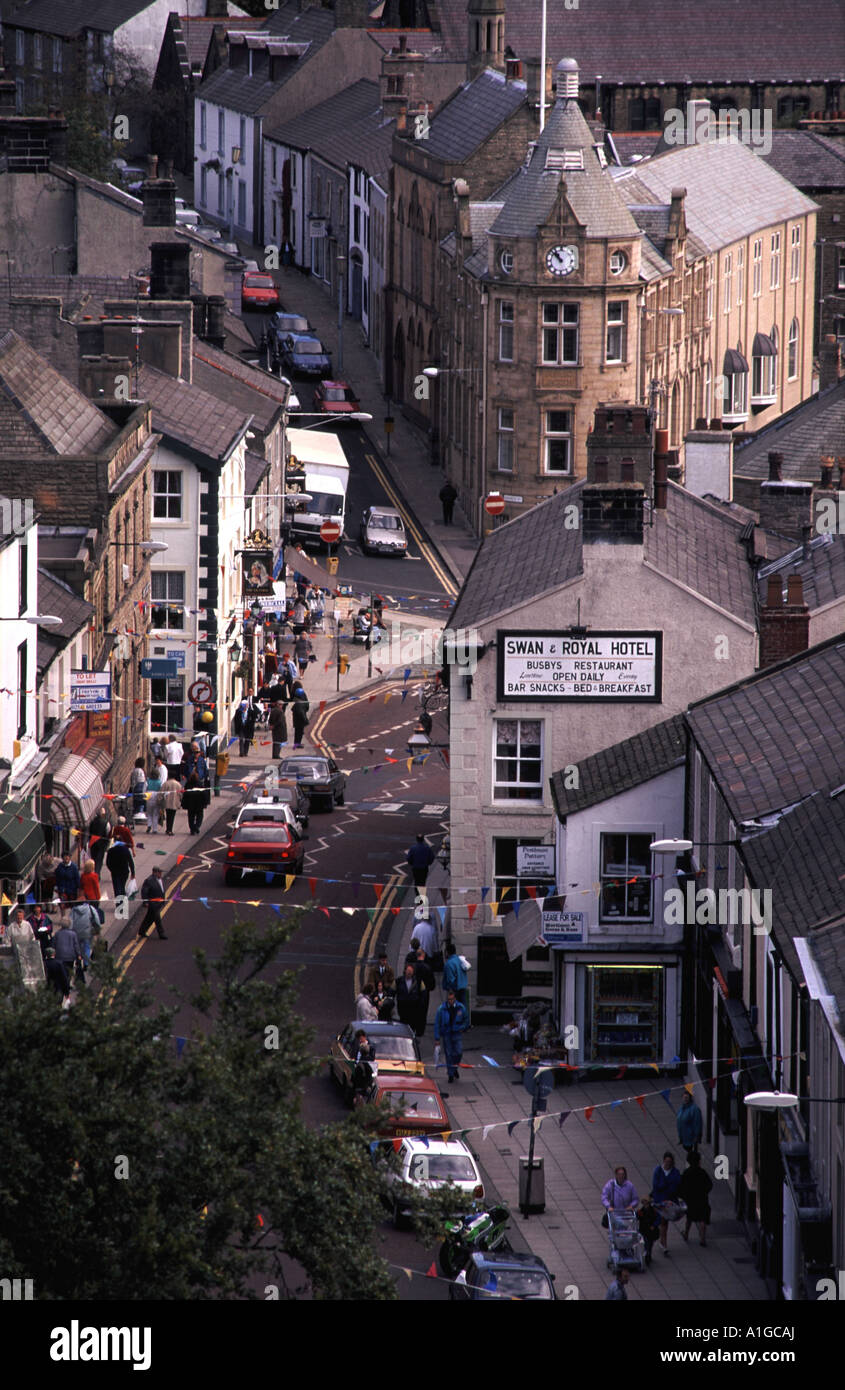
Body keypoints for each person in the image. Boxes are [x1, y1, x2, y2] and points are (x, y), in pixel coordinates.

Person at [678, 1151, 713, 1247]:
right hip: (702, 1199)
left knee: (689, 1218)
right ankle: (702, 1238)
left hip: (691, 1200)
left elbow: (682, 1187)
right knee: (702, 1219)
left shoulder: (686, 1173)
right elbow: (709, 1185)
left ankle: (686, 1234)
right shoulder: (702, 1172)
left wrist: (683, 1197)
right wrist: (704, 1192)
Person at [433, 987, 468, 1083]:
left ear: (455, 999)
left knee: (459, 1052)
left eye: (452, 999)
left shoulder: (461, 1008)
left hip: (457, 1033)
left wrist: (462, 1028)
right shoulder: (442, 1009)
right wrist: (437, 1038)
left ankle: (454, 1067)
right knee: (449, 1054)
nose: (450, 1001)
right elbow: (437, 1024)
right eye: (449, 999)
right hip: (447, 1033)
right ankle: (450, 1074)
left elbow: (466, 1020)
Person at [651, 1151, 682, 1256]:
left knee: (664, 1223)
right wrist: (666, 1186)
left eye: (670, 1162)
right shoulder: (658, 1170)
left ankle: (663, 1242)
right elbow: (656, 1186)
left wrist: (664, 1187)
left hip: (669, 1202)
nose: (668, 1164)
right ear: (663, 1160)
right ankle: (662, 1243)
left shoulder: (675, 1172)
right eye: (666, 1161)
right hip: (659, 1201)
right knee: (662, 1222)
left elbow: (676, 1186)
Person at [137, 867, 168, 940]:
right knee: (157, 918)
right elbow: (144, 892)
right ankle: (161, 933)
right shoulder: (149, 881)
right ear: (155, 872)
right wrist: (145, 902)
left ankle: (142, 931)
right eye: (159, 872)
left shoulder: (159, 880)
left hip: (158, 903)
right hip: (153, 904)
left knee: (149, 918)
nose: (161, 874)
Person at [412, 946, 435, 1036]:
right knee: (423, 1012)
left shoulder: (412, 968)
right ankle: (420, 1031)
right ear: (423, 955)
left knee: (414, 1011)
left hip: (413, 993)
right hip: (425, 994)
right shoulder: (428, 968)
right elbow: (432, 984)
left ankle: (413, 1029)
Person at [70, 897, 100, 966]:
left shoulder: (73, 910)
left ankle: (79, 961)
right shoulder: (90, 908)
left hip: (76, 932)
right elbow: (96, 918)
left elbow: (70, 922)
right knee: (87, 946)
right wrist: (97, 927)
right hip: (87, 932)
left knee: (78, 948)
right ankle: (86, 963)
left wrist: (70, 931)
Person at [395, 963, 423, 1034]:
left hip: (414, 1010)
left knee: (412, 1028)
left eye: (411, 971)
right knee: (403, 1028)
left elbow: (423, 995)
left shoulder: (419, 982)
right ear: (405, 971)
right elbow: (391, 993)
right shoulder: (398, 981)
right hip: (402, 1009)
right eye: (408, 971)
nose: (409, 973)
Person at [442, 942, 469, 1013]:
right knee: (462, 1010)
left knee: (453, 1012)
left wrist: (450, 993)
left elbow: (450, 981)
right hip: (463, 989)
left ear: (447, 952)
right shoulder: (460, 960)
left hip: (454, 991)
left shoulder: (449, 964)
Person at [105, 837, 134, 902]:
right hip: (124, 872)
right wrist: (133, 872)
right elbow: (130, 861)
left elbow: (107, 862)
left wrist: (111, 869)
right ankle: (122, 900)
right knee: (122, 886)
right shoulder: (125, 849)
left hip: (115, 872)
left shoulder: (111, 850)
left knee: (117, 888)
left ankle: (119, 903)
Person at [677, 1090, 703, 1156]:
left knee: (692, 1156)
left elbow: (697, 1124)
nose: (685, 1099)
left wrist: (696, 1137)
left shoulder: (695, 1109)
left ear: (690, 1098)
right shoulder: (682, 1108)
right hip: (684, 1137)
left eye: (687, 1097)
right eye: (684, 1097)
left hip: (691, 1138)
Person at [352, 1029, 376, 1100]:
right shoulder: (357, 1045)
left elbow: (372, 1058)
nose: (359, 1040)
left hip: (364, 1069)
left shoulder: (370, 1047)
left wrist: (364, 1058)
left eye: (360, 1038)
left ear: (364, 1037)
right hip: (358, 1067)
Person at [88, 806, 112, 876]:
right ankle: (97, 873)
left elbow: (90, 831)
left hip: (93, 842)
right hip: (101, 843)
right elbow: (108, 832)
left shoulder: (92, 821)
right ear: (103, 814)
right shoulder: (106, 823)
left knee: (93, 858)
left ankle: (93, 872)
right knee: (99, 859)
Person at [638, 1195, 661, 1266]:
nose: (645, 1204)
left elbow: (658, 1219)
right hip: (644, 1229)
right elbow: (638, 1216)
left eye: (646, 1203)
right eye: (644, 1203)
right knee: (646, 1242)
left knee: (650, 1243)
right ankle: (647, 1254)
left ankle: (648, 1253)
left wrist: (654, 1225)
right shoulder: (641, 1211)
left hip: (651, 1230)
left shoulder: (653, 1211)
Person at [80, 858, 104, 924]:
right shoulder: (94, 876)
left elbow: (81, 886)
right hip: (93, 897)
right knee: (94, 911)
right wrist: (98, 897)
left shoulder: (83, 876)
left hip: (85, 896)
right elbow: (96, 887)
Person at [182, 772, 206, 836]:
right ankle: (197, 826)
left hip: (190, 804)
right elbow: (204, 794)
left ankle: (192, 829)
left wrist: (184, 803)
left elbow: (185, 794)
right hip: (199, 804)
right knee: (200, 817)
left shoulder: (188, 784)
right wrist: (205, 803)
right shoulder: (200, 783)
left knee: (191, 817)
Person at [145, 760, 164, 833]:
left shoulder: (148, 781)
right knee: (155, 814)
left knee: (149, 813)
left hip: (149, 795)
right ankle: (155, 829)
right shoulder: (159, 782)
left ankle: (149, 825)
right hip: (156, 796)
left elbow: (144, 789)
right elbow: (161, 790)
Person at [290, 683, 309, 748]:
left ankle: (296, 743)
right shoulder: (301, 700)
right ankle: (298, 744)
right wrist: (305, 720)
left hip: (296, 718)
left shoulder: (294, 694)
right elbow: (305, 706)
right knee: (299, 731)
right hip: (300, 718)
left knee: (297, 731)